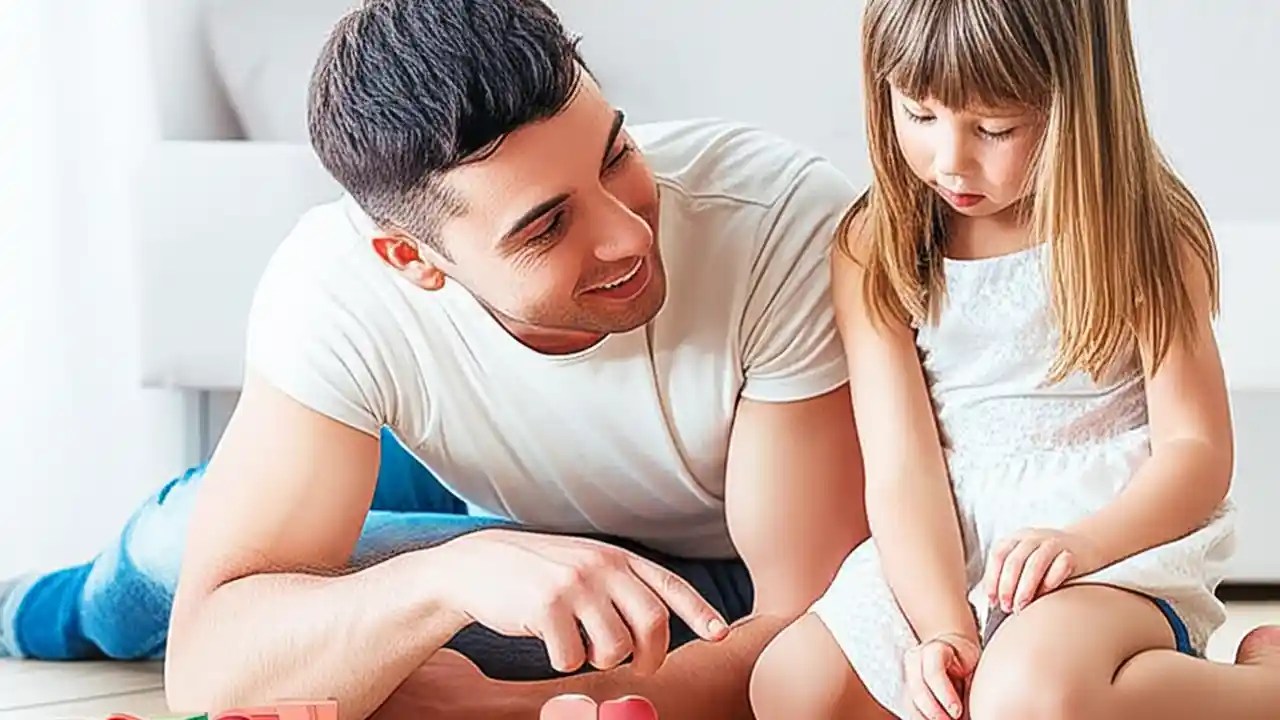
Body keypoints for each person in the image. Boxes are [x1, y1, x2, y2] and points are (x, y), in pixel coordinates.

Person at [1, 1, 870, 719]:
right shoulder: (334, 285)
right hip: (470, 485)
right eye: (547, 225)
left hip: (697, 570)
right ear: (410, 260)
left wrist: (500, 705)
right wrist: (446, 579)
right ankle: (31, 611)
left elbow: (809, 624)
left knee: (450, 634)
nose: (629, 235)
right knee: (174, 545)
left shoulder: (775, 225)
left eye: (616, 155)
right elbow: (211, 671)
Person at [748, 0, 1280, 718]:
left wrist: (1085, 544)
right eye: (918, 113)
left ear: (1076, 101)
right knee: (790, 686)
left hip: (1112, 541)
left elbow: (1197, 450)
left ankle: (1262, 688)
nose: (950, 160)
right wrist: (943, 628)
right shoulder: (875, 244)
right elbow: (903, 470)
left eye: (994, 129)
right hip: (951, 540)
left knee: (1023, 693)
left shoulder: (1144, 230)